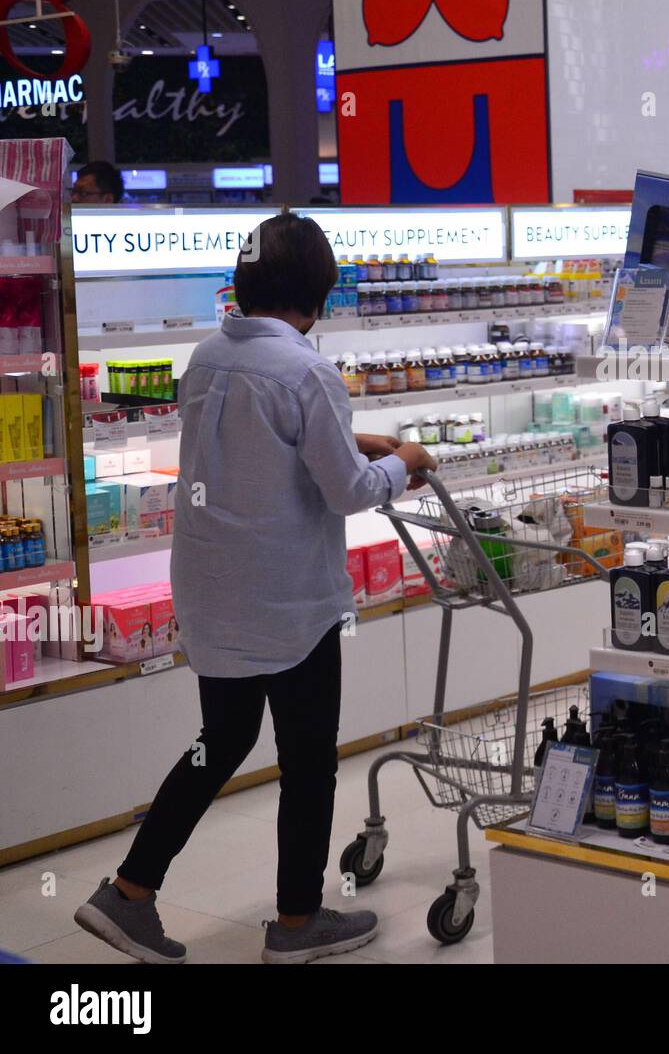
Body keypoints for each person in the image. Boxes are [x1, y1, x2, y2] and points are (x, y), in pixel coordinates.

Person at [74, 213, 435, 965]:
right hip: (289, 606)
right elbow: (349, 492)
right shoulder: (307, 371)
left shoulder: (207, 358)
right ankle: (298, 923)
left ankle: (130, 893)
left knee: (220, 743)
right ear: (317, 292)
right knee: (308, 762)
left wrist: (347, 436)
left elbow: (262, 448)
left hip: (216, 593)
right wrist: (404, 459)